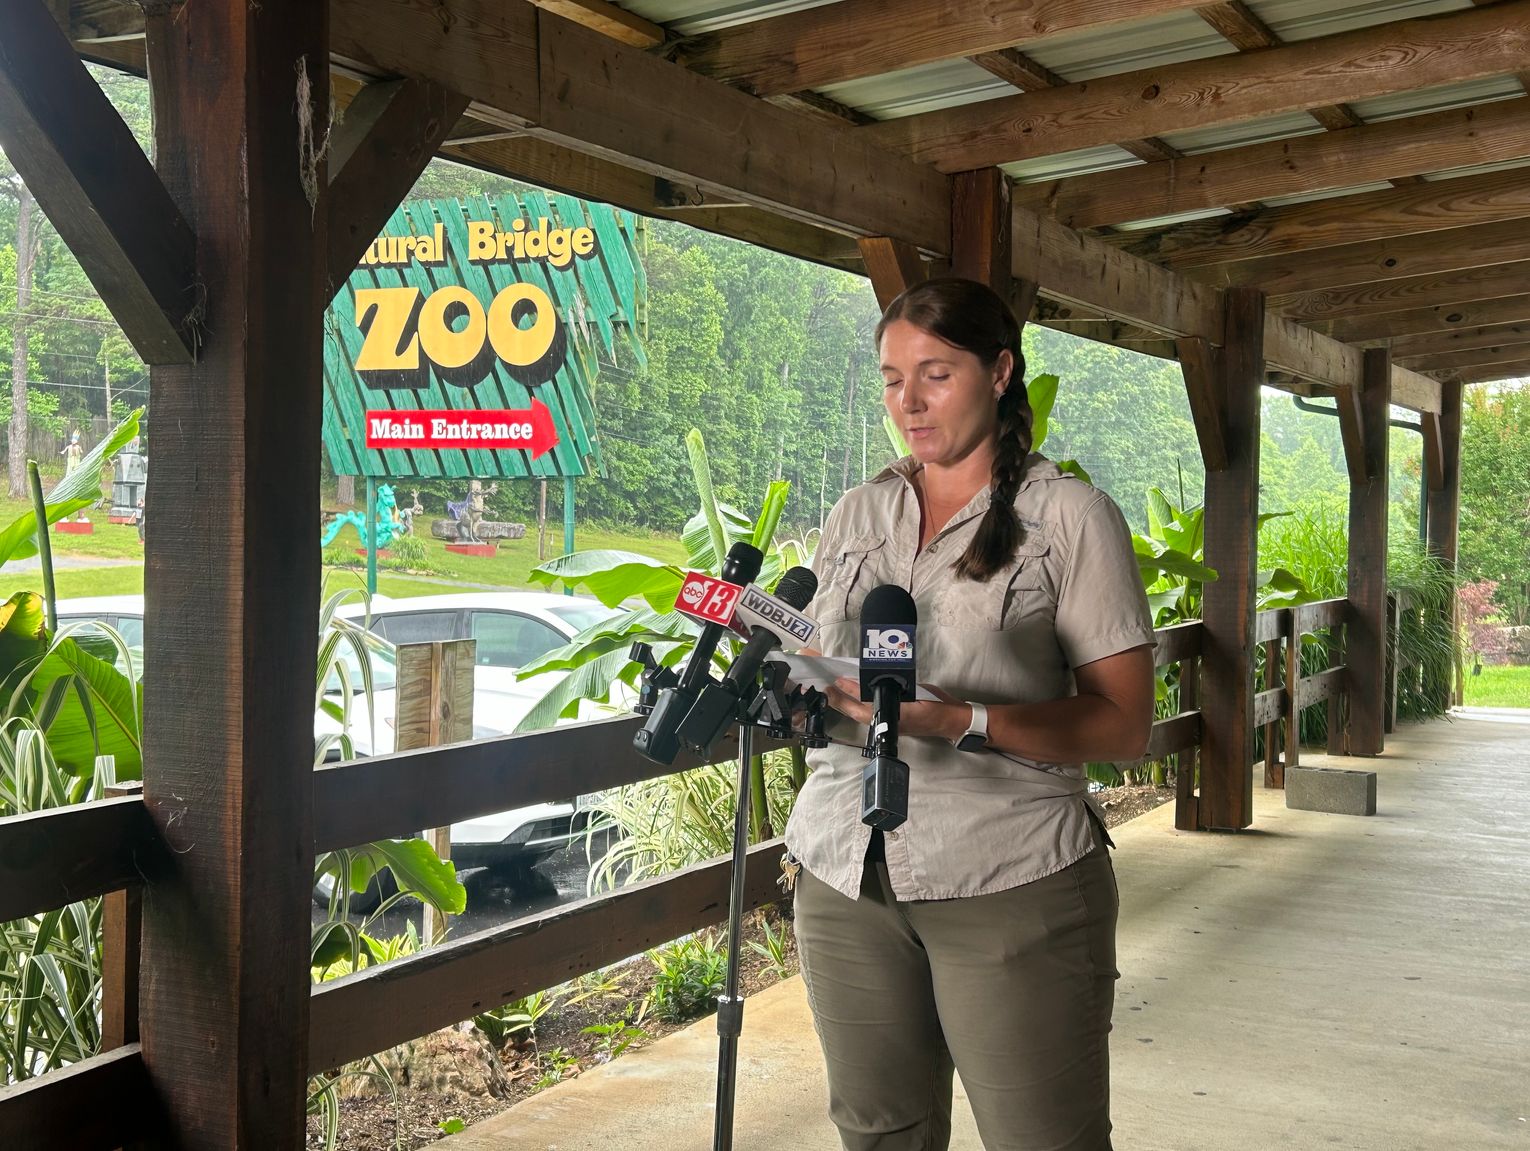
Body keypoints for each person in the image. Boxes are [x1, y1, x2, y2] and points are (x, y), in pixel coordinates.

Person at [785, 277, 1157, 1151]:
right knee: (880, 1134)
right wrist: (794, 682)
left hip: (1009, 874)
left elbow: (1125, 724)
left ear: (999, 372)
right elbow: (826, 663)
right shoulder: (858, 511)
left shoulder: (1070, 518)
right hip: (845, 869)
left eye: (936, 374)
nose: (907, 403)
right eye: (891, 379)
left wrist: (963, 721)